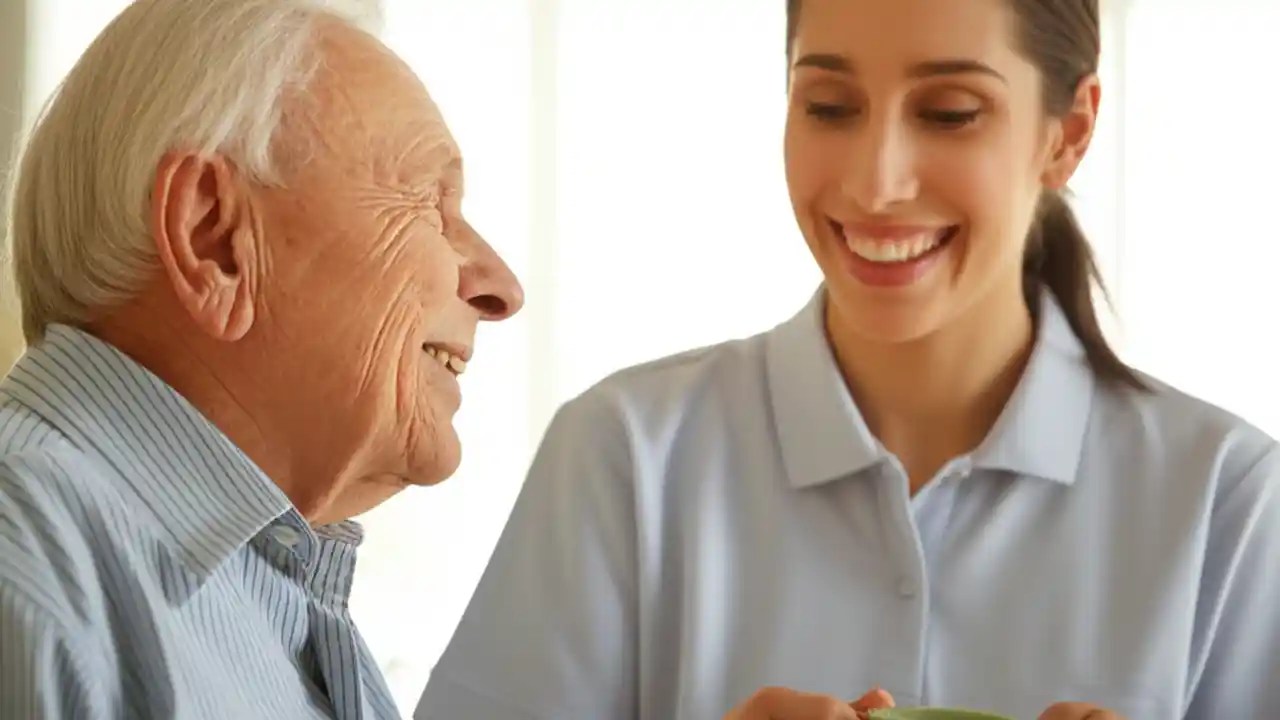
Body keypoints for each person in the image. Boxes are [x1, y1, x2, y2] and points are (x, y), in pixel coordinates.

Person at [416, 0, 1279, 718]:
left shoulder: (1231, 505)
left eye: (949, 113)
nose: (876, 183)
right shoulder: (625, 454)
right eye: (829, 106)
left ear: (1069, 131)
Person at [0, 0, 522, 717]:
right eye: (429, 202)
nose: (501, 286)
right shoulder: (26, 565)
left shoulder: (268, 594)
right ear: (214, 239)